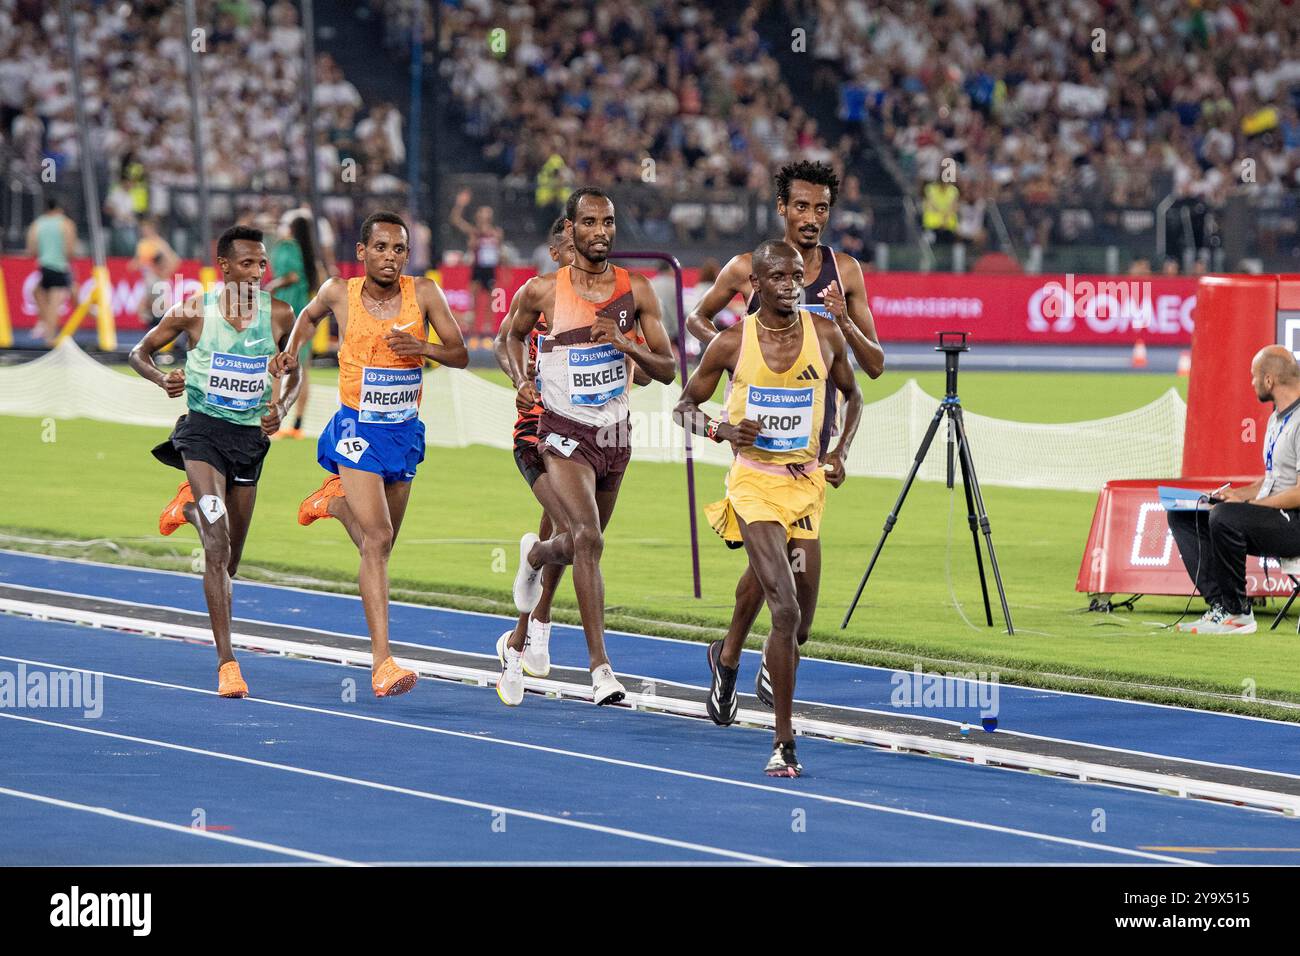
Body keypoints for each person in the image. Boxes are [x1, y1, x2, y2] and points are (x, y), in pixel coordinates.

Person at [687, 159, 885, 708]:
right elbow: (700, 322)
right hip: (755, 458)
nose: (811, 217)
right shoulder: (749, 267)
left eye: (821, 208)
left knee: (786, 594)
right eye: (801, 206)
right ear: (782, 208)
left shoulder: (844, 272)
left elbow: (872, 368)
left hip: (810, 464)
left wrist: (842, 320)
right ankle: (764, 691)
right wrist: (742, 363)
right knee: (780, 585)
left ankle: (730, 654)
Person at [675, 240, 862, 777]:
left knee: (799, 623)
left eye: (796, 275)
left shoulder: (825, 335)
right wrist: (722, 429)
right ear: (755, 285)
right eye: (777, 276)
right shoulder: (732, 343)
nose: (790, 283)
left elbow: (855, 395)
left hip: (805, 486)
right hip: (754, 486)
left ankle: (729, 656)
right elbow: (683, 408)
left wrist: (839, 451)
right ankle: (784, 743)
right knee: (783, 608)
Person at [502, 187, 677, 706]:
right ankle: (600, 668)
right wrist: (521, 379)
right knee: (588, 537)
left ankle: (534, 556)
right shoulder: (542, 292)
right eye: (590, 222)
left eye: (608, 222)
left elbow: (666, 370)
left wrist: (625, 344)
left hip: (615, 436)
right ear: (571, 228)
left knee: (580, 543)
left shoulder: (639, 290)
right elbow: (509, 338)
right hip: (560, 433)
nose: (601, 231)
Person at [287, 212, 468, 697]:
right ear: (362, 252)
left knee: (382, 545)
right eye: (382, 247)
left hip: (403, 433)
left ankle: (333, 503)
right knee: (379, 537)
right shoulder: (338, 293)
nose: (391, 257)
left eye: (400, 249)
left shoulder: (424, 293)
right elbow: (306, 319)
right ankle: (382, 661)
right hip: (355, 431)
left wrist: (423, 347)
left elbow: (461, 352)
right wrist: (289, 352)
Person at [128, 225, 302, 697]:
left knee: (232, 563)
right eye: (247, 263)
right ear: (225, 266)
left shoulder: (281, 315)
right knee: (217, 546)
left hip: (248, 441)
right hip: (202, 434)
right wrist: (162, 377)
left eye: (262, 264)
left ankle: (186, 508)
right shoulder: (193, 312)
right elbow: (138, 352)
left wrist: (281, 407)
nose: (257, 272)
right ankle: (228, 663)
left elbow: (295, 367)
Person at [1169, 346, 1300, 635]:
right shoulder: (1277, 418)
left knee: (1226, 517)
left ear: (1269, 381)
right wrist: (1240, 495)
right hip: (1277, 515)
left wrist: (1251, 508)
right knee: (1184, 516)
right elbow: (1273, 478)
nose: (1251, 383)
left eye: (1254, 377)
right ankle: (1219, 606)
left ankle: (1238, 613)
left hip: (1295, 523)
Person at [266, 212, 324, 439]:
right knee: (302, 369)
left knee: (278, 368)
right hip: (305, 314)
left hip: (287, 313)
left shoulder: (288, 247)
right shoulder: (309, 252)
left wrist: (273, 284)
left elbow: (291, 275)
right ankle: (298, 424)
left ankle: (272, 422)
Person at [450, 189, 505, 338]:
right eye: (482, 214)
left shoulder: (496, 233)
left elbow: (500, 252)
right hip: (477, 268)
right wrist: (460, 204)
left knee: (489, 300)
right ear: (478, 216)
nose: (484, 217)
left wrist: (502, 259)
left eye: (487, 214)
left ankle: (488, 329)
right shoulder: (474, 232)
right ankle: (473, 329)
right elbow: (456, 220)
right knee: (473, 299)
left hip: (490, 268)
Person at [25, 198, 78, 344]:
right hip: (60, 267)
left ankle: (45, 326)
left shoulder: (37, 224)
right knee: (54, 304)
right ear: (59, 208)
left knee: (38, 294)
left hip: (44, 267)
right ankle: (50, 337)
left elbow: (31, 250)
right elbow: (70, 250)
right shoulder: (66, 224)